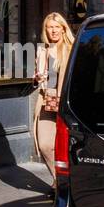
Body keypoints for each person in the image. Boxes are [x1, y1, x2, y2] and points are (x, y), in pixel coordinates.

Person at [33, 11, 75, 184]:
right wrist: (36, 79)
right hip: (47, 102)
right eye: (50, 27)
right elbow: (39, 78)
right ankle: (59, 180)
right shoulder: (43, 50)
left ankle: (66, 183)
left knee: (67, 147)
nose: (54, 31)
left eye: (57, 27)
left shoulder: (72, 48)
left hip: (67, 104)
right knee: (44, 144)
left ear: (64, 29)